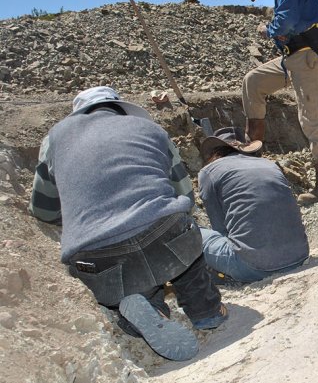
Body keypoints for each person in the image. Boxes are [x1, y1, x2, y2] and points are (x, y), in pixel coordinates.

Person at [28, 87, 226, 362]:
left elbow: (42, 209)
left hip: (97, 258)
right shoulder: (151, 130)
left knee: (126, 278)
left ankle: (149, 309)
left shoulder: (54, 140)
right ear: (119, 108)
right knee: (180, 235)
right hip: (164, 240)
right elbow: (185, 196)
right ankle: (206, 311)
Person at [242, 0, 318, 205]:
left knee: (312, 120)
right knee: (253, 82)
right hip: (292, 57)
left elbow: (284, 24)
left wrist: (269, 30)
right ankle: (252, 156)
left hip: (307, 57)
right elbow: (287, 27)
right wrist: (281, 32)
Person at [197, 127, 310, 284]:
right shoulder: (269, 164)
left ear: (215, 153)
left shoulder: (208, 172)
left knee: (189, 231)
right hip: (299, 256)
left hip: (252, 268)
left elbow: (220, 229)